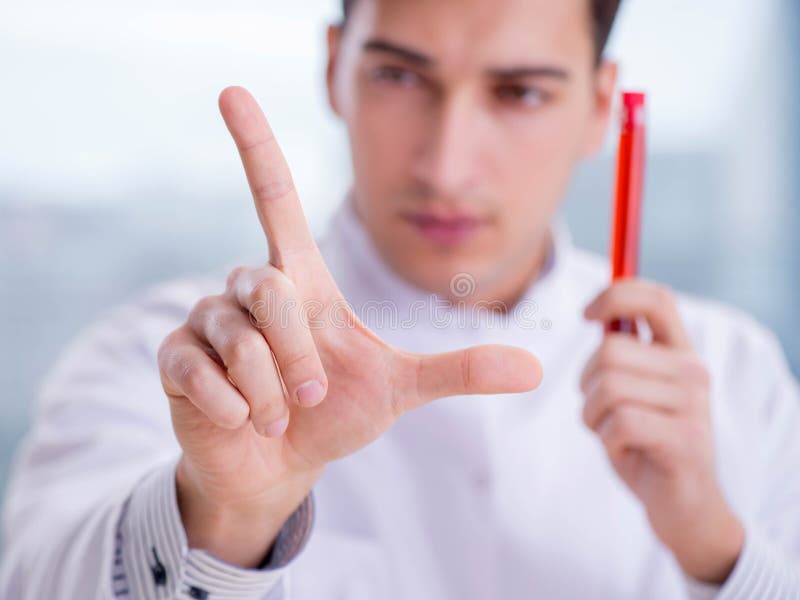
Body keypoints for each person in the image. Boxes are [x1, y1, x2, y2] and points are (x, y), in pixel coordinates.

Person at [2, 0, 799, 598]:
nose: (447, 166)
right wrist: (218, 516)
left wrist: (717, 550)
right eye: (399, 75)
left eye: (520, 93)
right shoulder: (171, 360)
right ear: (332, 68)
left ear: (600, 106)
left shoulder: (734, 375)